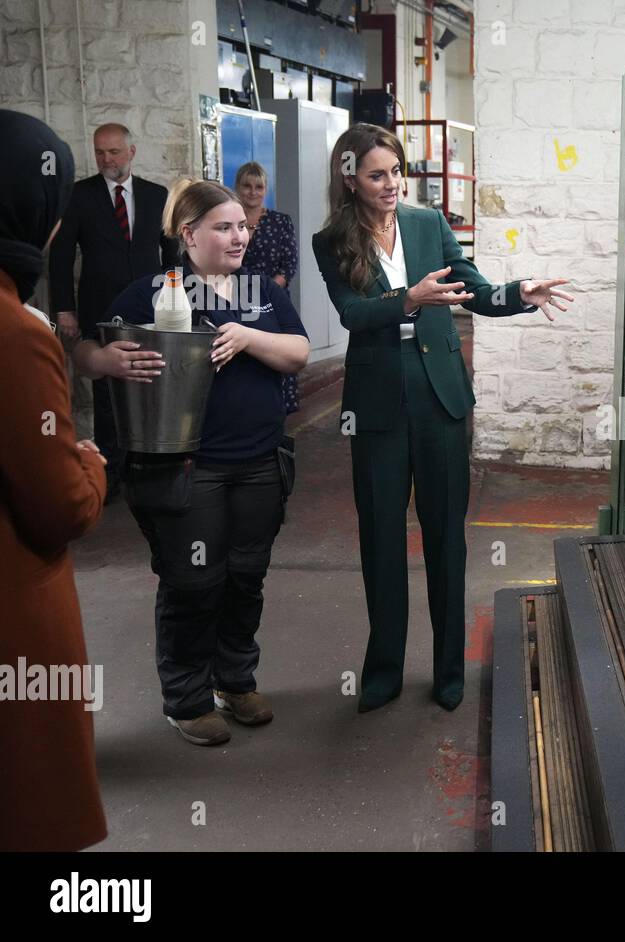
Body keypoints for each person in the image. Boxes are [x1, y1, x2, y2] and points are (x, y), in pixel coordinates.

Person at [312, 123, 573, 713]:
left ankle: (449, 670)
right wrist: (407, 299)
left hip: (440, 397)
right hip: (378, 399)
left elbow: (472, 289)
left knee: (444, 538)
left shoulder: (429, 225)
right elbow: (353, 314)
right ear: (349, 178)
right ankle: (383, 672)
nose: (391, 184)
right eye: (377, 175)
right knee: (381, 537)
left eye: (397, 172)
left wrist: (517, 293)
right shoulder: (331, 241)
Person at [73, 179, 309, 746]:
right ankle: (187, 698)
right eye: (223, 227)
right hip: (187, 466)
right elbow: (84, 351)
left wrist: (248, 336)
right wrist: (105, 359)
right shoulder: (153, 292)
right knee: (193, 582)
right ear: (188, 234)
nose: (238, 237)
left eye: (242, 227)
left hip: (259, 461)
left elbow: (297, 353)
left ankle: (235, 681)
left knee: (246, 576)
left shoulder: (262, 294)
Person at [0, 110, 108, 850]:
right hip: (17, 605)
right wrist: (94, 466)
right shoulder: (17, 333)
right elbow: (59, 504)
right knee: (30, 800)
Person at [50, 123, 178, 501]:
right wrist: (63, 309)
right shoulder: (78, 195)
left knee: (151, 382)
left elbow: (171, 258)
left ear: (132, 152)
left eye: (114, 152)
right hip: (98, 307)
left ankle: (150, 469)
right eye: (101, 152)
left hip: (149, 308)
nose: (107, 159)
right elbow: (59, 259)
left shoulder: (158, 196)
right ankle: (112, 476)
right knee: (106, 391)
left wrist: (175, 304)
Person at [235, 161, 302, 414]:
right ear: (238, 187)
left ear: (265, 189)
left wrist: (265, 293)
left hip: (273, 301)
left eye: (259, 186)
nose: (253, 192)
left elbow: (289, 265)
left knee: (276, 350)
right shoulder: (230, 221)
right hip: (235, 298)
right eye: (247, 186)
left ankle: (279, 408)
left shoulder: (280, 222)